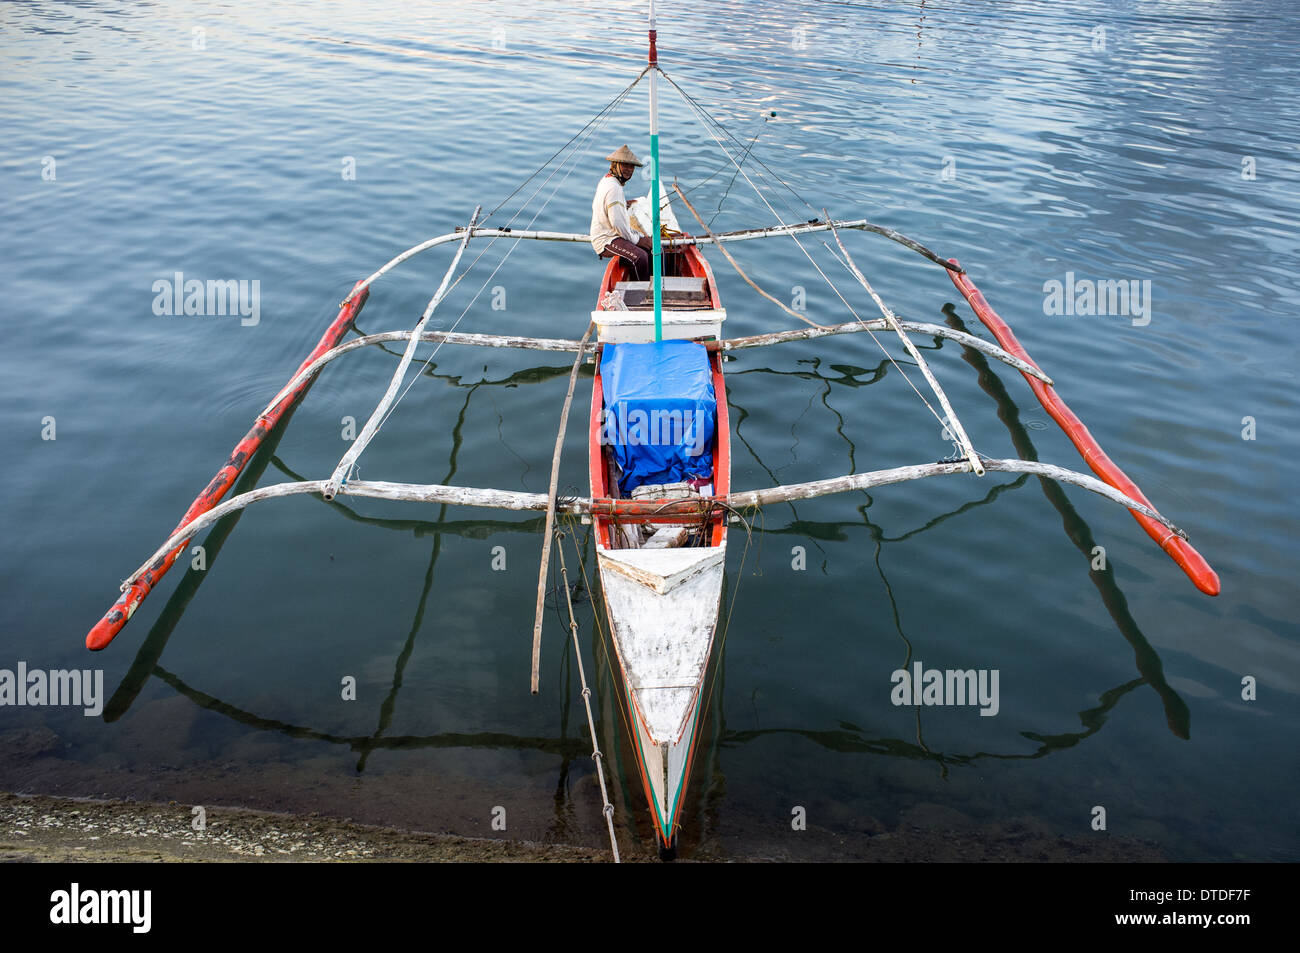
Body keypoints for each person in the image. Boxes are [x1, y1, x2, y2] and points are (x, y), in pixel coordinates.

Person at [590, 145, 653, 282]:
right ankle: (640, 297)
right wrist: (639, 240)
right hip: (607, 239)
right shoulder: (614, 189)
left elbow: (610, 206)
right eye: (625, 165)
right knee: (641, 257)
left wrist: (623, 204)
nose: (629, 170)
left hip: (612, 233)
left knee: (648, 251)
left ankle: (646, 282)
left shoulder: (607, 180)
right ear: (615, 165)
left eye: (632, 167)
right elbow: (618, 225)